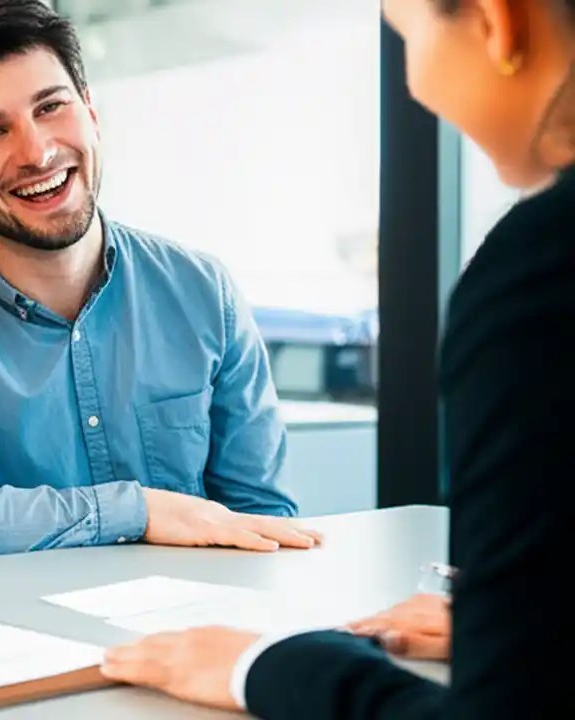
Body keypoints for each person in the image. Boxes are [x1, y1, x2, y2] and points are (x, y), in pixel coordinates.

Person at [99, 0, 575, 717]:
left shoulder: (540, 277)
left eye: (406, 32)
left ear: (495, 21)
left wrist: (269, 667)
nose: (415, 80)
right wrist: (526, 626)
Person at [0, 0, 320, 570]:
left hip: (192, 641)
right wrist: (136, 510)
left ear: (91, 113)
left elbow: (264, 519)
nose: (37, 152)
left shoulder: (203, 293)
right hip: (12, 649)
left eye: (51, 107)